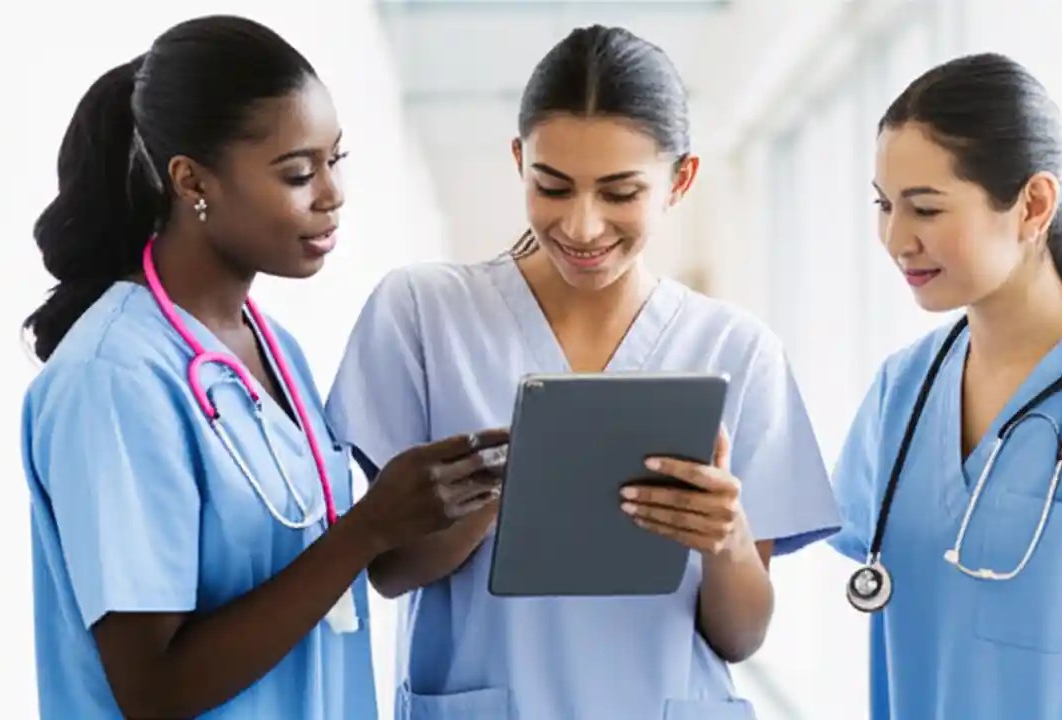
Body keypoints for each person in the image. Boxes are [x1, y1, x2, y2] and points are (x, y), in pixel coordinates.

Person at [327, 24, 840, 720]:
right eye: (553, 186)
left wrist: (728, 541)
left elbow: (741, 636)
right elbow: (389, 571)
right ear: (519, 162)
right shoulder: (422, 314)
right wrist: (506, 489)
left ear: (680, 180)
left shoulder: (737, 350)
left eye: (620, 192)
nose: (584, 226)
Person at [19, 15, 507, 720]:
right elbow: (154, 691)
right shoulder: (114, 376)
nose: (332, 195)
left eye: (336, 162)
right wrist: (367, 528)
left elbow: (337, 571)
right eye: (299, 173)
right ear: (192, 181)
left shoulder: (270, 348)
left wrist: (495, 486)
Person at [829, 52, 1062, 719]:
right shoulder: (901, 390)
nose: (895, 238)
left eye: (926, 209)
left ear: (1033, 204)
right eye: (884, 205)